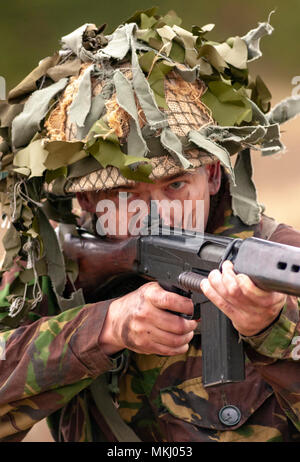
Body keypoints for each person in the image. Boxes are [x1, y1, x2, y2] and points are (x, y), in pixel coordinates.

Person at [0, 9, 300, 442]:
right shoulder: (53, 271)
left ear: (213, 175)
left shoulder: (277, 260)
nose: (159, 213)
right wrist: (103, 327)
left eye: (176, 184)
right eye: (131, 196)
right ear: (87, 200)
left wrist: (273, 330)